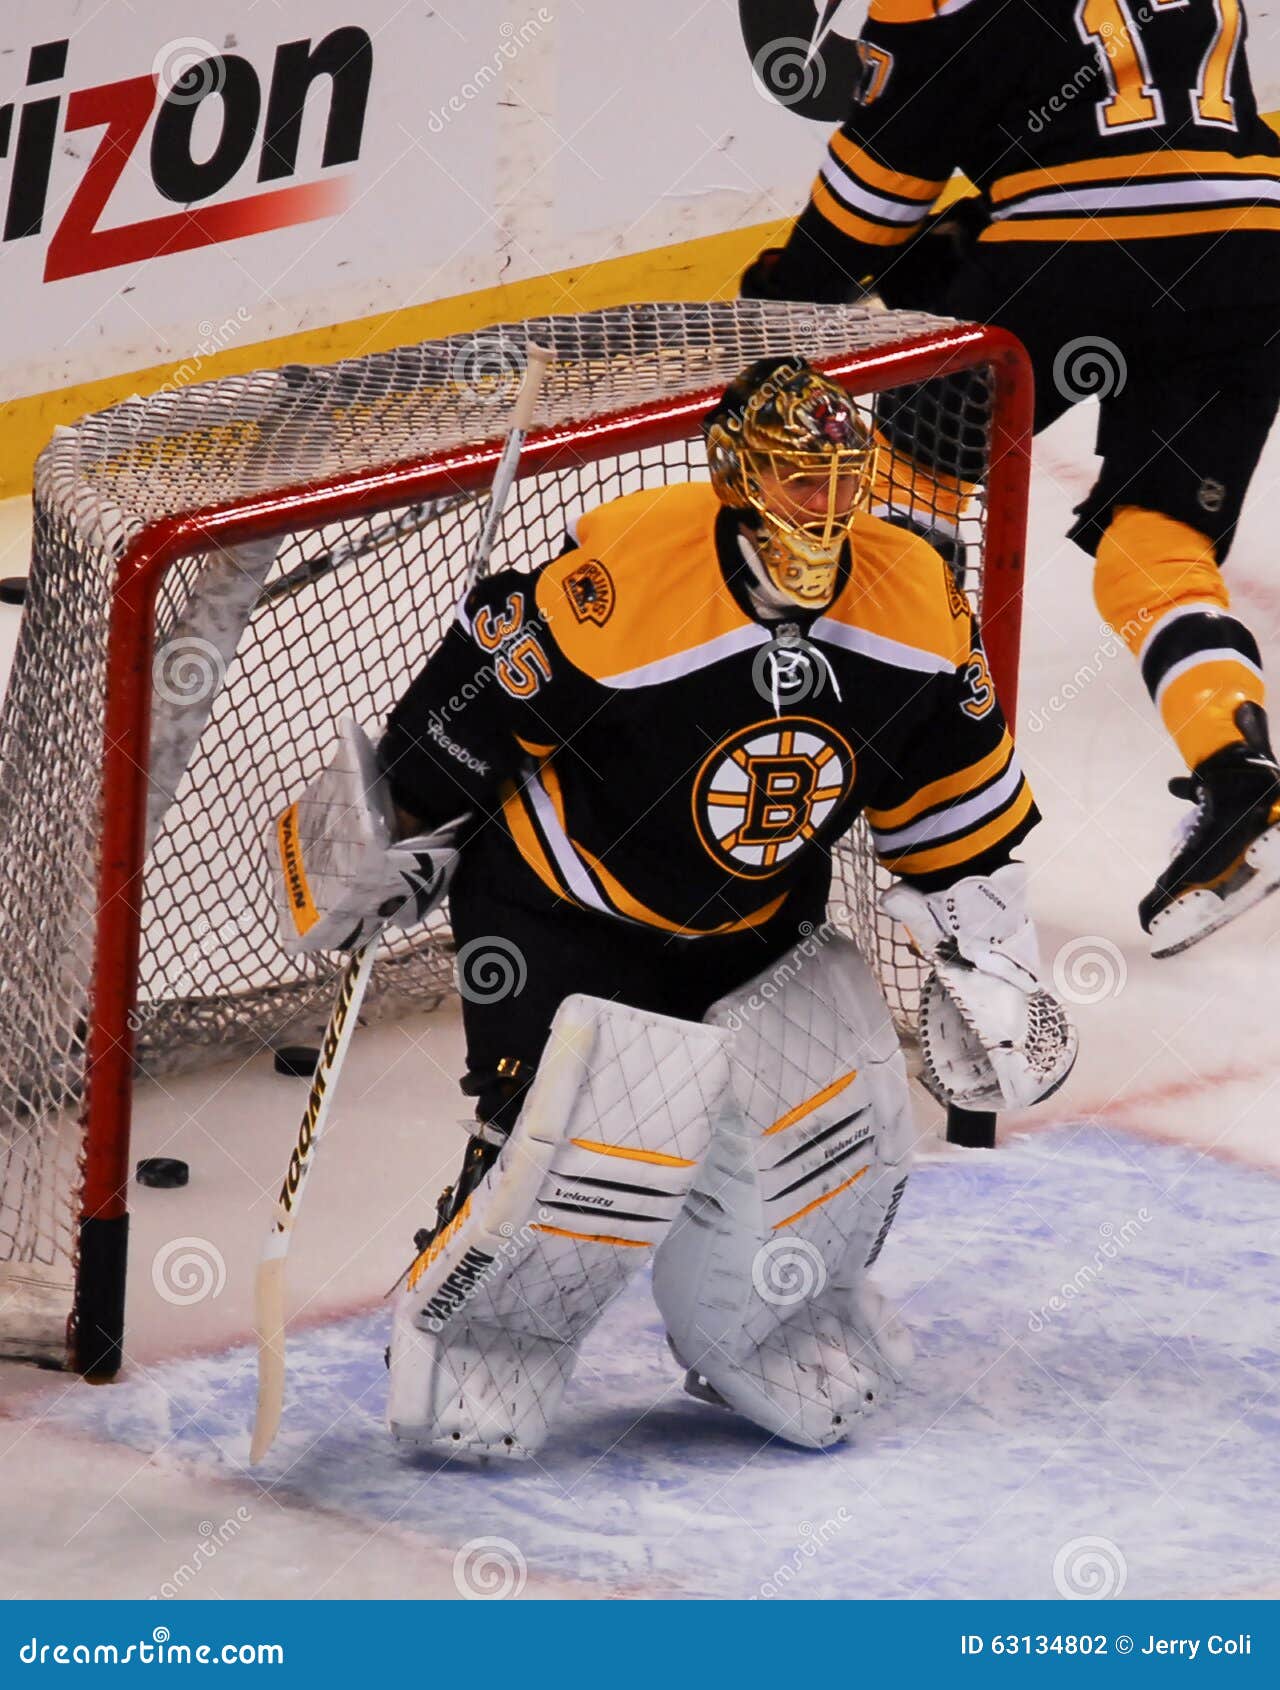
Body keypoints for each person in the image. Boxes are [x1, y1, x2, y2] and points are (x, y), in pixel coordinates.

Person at [274, 357, 1076, 1455]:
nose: (826, 507)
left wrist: (990, 955)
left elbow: (954, 796)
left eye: (843, 480)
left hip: (755, 917)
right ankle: (477, 1343)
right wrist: (396, 829)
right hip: (563, 904)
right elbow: (479, 694)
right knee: (584, 1150)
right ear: (740, 478)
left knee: (832, 1128)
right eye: (799, 481)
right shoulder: (632, 576)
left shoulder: (916, 593)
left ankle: (767, 1325)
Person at [744, 0, 1280, 957]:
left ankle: (906, 788)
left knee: (913, 497)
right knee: (1158, 539)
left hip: (1076, 258)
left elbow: (885, 175)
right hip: (1252, 252)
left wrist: (793, 287)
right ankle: (1238, 771)